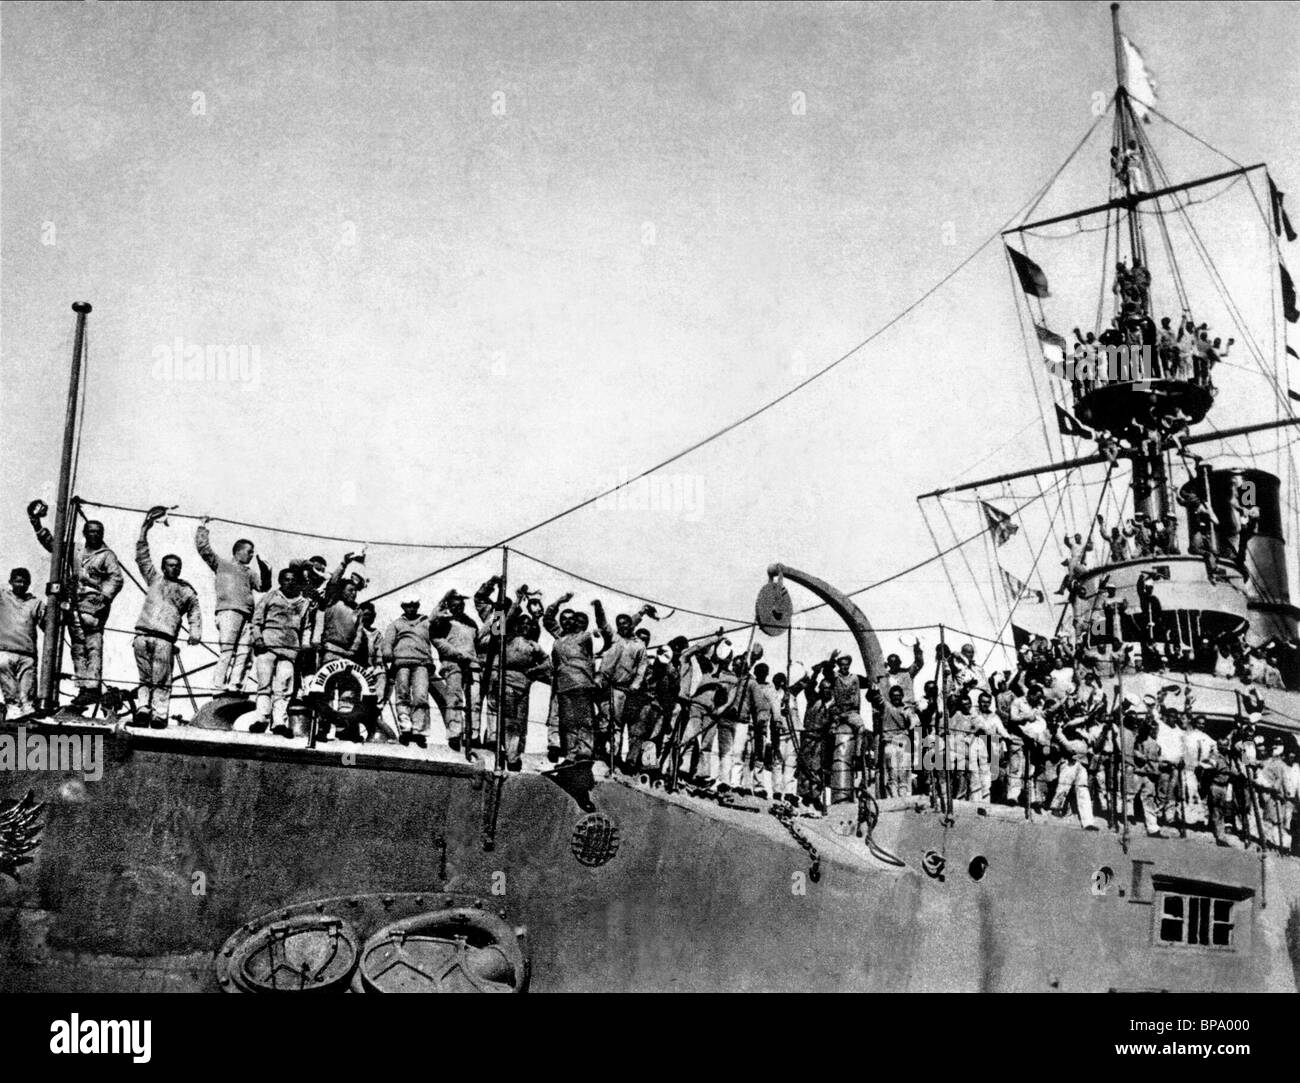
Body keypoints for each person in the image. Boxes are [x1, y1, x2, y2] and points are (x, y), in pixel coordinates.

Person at [29, 504, 123, 708]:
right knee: (78, 647)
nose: (95, 535)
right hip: (74, 603)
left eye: (98, 532)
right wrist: (37, 524)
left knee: (93, 644)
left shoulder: (107, 555)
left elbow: (116, 579)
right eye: (91, 532)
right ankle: (84, 687)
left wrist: (104, 596)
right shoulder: (76, 550)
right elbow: (53, 546)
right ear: (85, 533)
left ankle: (92, 686)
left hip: (93, 604)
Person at [130, 507, 203, 728]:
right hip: (142, 635)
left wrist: (195, 633)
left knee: (161, 679)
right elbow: (142, 555)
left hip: (165, 639)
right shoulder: (154, 579)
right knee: (144, 678)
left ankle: (159, 714)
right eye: (170, 565)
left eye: (177, 566)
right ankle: (143, 710)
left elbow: (195, 611)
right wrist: (145, 529)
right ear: (163, 567)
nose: (174, 568)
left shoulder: (185, 590)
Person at [195, 518, 271, 693]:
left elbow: (264, 587)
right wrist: (203, 527)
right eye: (248, 552)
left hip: (247, 614)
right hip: (228, 612)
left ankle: (235, 685)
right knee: (228, 650)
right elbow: (204, 550)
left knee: (245, 651)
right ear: (238, 551)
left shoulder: (250, 573)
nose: (251, 555)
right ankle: (218, 686)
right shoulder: (222, 564)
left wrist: (265, 568)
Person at [249, 568, 311, 737]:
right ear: (280, 580)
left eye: (292, 580)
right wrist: (258, 639)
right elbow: (256, 621)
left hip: (290, 650)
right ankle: (261, 719)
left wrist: (304, 646)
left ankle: (279, 723)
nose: (289, 583)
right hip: (267, 646)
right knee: (264, 684)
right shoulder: (270, 597)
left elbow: (306, 628)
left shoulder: (303, 603)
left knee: (284, 687)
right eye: (286, 579)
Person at [546, 600, 609, 763]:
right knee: (568, 723)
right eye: (564, 619)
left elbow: (599, 643)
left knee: (584, 721)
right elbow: (548, 620)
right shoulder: (559, 639)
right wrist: (559, 601)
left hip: (581, 683)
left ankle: (585, 752)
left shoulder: (584, 636)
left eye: (571, 619)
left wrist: (598, 613)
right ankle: (571, 753)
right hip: (563, 685)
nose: (568, 622)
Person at [598, 607, 651, 769]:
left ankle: (613, 755)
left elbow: (642, 669)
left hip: (622, 689)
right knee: (603, 721)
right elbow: (602, 623)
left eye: (626, 624)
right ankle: (600, 751)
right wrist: (599, 607)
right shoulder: (614, 638)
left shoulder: (639, 646)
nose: (623, 627)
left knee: (617, 724)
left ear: (631, 625)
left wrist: (634, 686)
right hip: (604, 685)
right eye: (619, 624)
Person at [381, 599, 438, 748]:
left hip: (421, 663)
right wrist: (387, 652)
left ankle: (419, 731)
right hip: (401, 663)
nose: (411, 609)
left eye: (414, 606)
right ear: (403, 607)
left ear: (418, 606)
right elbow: (388, 642)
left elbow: (436, 624)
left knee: (420, 695)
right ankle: (406, 728)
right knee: (402, 694)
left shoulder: (426, 622)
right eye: (408, 606)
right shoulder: (396, 624)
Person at [429, 589, 479, 753]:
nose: (459, 607)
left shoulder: (470, 623)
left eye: (461, 604)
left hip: (471, 665)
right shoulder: (444, 620)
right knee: (455, 699)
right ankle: (455, 733)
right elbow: (435, 634)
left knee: (474, 702)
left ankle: (472, 735)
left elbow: (483, 638)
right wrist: (456, 654)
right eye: (455, 604)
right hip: (453, 664)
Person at [0, 568, 44, 722]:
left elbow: (48, 624)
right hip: (5, 650)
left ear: (29, 584)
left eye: (24, 582)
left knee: (27, 692)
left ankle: (27, 713)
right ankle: (12, 710)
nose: (21, 584)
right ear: (11, 582)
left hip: (27, 653)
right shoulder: (3, 597)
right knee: (10, 689)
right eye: (18, 581)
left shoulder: (35, 603)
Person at [1050, 709, 1099, 829]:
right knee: (1063, 786)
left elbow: (1093, 742)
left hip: (1082, 763)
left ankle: (1088, 821)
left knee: (1083, 791)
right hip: (1069, 762)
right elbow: (1071, 724)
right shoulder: (1067, 727)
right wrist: (1088, 716)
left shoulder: (1084, 733)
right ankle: (1056, 808)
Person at [879, 685, 919, 798]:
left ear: (902, 696)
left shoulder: (907, 709)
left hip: (903, 741)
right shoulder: (886, 706)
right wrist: (874, 690)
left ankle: (902, 795)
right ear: (890, 697)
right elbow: (876, 698)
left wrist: (910, 724)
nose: (896, 698)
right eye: (894, 696)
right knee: (892, 771)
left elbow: (915, 722)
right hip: (889, 741)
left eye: (898, 696)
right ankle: (893, 796)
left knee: (903, 770)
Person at [882, 640, 925, 704]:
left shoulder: (907, 673)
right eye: (892, 663)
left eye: (896, 663)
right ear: (888, 664)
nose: (894, 665)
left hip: (907, 706)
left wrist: (916, 647)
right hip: (892, 708)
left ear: (900, 663)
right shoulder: (885, 676)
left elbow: (919, 663)